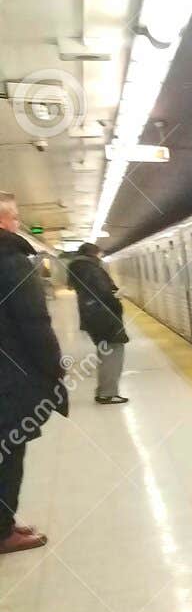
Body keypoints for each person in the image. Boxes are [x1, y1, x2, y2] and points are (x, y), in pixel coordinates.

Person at [0, 192, 67, 554]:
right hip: (8, 381)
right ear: (3, 221)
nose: (18, 224)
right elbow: (35, 325)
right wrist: (54, 369)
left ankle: (3, 522)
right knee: (9, 454)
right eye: (15, 217)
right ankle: (3, 531)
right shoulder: (11, 262)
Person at [67, 241, 129, 404]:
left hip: (92, 316)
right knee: (114, 350)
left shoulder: (78, 268)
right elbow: (104, 293)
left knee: (105, 351)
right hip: (103, 316)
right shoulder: (92, 269)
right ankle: (107, 393)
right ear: (94, 254)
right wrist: (116, 299)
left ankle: (104, 391)